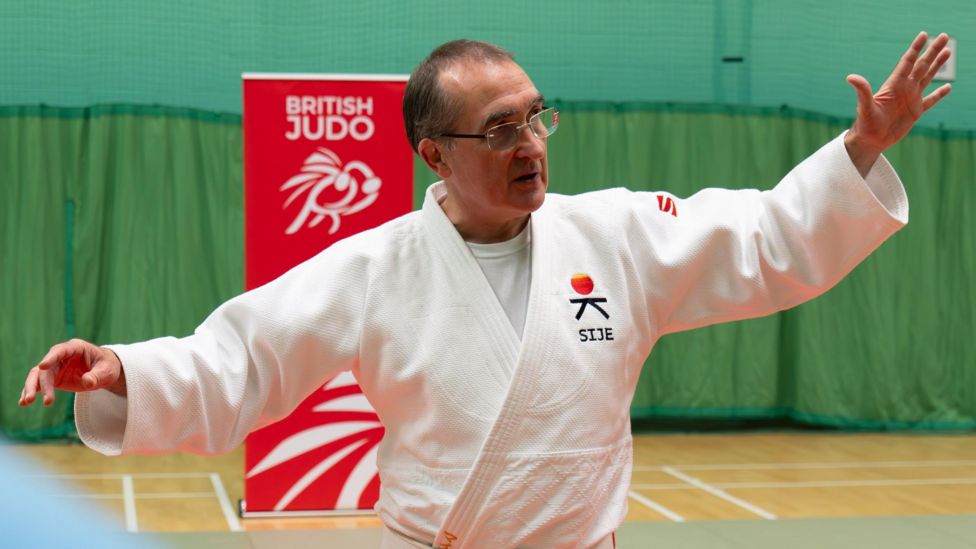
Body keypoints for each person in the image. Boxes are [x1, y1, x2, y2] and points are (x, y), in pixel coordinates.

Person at [21, 34, 951, 549]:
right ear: (436, 154)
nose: (530, 143)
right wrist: (116, 369)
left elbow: (766, 237)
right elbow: (244, 353)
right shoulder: (376, 267)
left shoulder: (617, 235)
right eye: (499, 129)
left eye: (535, 117)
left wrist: (864, 149)